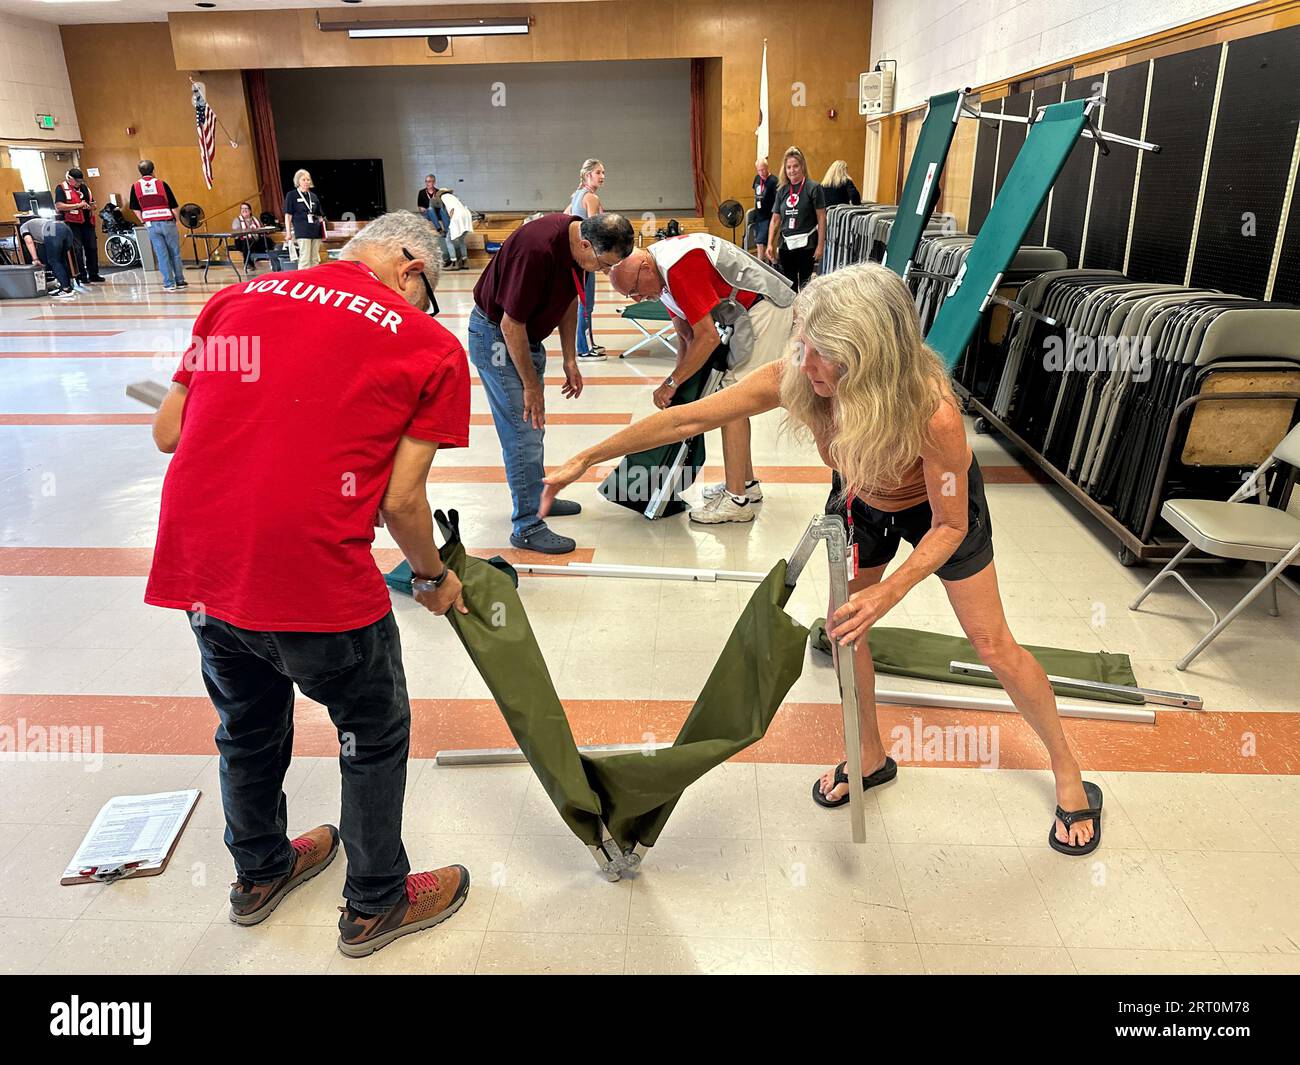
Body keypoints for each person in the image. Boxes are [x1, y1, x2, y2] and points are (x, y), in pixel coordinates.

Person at [543, 263, 1102, 856]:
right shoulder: (801, 376)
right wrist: (587, 458)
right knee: (845, 633)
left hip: (935, 510)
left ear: (869, 359)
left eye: (823, 354)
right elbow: (689, 416)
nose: (805, 365)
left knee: (993, 645)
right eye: (804, 345)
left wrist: (889, 593)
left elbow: (950, 525)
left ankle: (1068, 771)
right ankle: (869, 755)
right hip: (861, 498)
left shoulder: (930, 412)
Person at [145, 211, 475, 957]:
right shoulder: (428, 345)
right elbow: (399, 501)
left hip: (203, 567)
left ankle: (258, 872)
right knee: (372, 729)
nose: (422, 309)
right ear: (409, 265)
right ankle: (375, 902)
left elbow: (168, 432)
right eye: (425, 292)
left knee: (248, 725)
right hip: (312, 582)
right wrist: (433, 577)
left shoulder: (239, 299)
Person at [470, 211, 635, 554]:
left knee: (533, 429)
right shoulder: (537, 250)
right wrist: (531, 387)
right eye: (604, 265)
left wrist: (570, 357)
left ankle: (536, 498)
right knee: (523, 431)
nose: (604, 273)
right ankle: (527, 525)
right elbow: (510, 326)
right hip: (498, 340)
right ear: (586, 244)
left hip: (522, 339)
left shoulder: (574, 239)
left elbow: (569, 297)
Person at [607, 233, 795, 524]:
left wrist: (671, 383)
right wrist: (680, 388)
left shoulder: (679, 266)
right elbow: (686, 334)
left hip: (766, 308)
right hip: (743, 312)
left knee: (733, 402)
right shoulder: (659, 276)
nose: (637, 299)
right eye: (629, 297)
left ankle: (736, 501)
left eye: (634, 290)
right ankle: (746, 485)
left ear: (644, 268)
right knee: (729, 398)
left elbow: (706, 337)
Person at [766, 146, 826, 291]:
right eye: (788, 167)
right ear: (785, 169)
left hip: (808, 245)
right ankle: (792, 313)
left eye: (795, 166)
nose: (792, 170)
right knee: (789, 285)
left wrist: (820, 245)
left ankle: (805, 313)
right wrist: (769, 244)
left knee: (806, 287)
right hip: (787, 245)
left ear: (802, 166)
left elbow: (821, 218)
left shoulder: (813, 188)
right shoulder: (782, 191)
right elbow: (775, 219)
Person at [567, 159, 608, 361]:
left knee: (584, 301)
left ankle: (587, 343)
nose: (602, 176)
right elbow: (594, 229)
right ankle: (583, 349)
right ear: (588, 174)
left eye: (603, 173)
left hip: (576, 256)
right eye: (599, 172)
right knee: (586, 303)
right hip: (586, 258)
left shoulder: (576, 195)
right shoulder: (590, 197)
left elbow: (565, 217)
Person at [129, 159, 188, 291]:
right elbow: (173, 206)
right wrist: (177, 220)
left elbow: (135, 208)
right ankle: (180, 281)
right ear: (153, 170)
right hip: (167, 222)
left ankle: (169, 283)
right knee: (175, 252)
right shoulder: (162, 184)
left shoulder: (135, 187)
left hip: (151, 224)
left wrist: (143, 220)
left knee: (161, 254)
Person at [55, 167, 105, 284]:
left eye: (80, 181)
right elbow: (59, 206)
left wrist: (90, 206)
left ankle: (94, 273)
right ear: (69, 179)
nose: (79, 184)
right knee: (77, 250)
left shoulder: (84, 188)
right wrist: (78, 205)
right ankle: (81, 275)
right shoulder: (61, 188)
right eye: (76, 181)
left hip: (87, 223)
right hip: (73, 224)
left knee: (92, 248)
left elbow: (94, 204)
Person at [20, 216, 78, 300]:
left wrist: (35, 259)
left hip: (51, 230)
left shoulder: (23, 227)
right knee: (62, 259)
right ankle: (67, 286)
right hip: (65, 227)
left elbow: (29, 241)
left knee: (54, 261)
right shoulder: (37, 222)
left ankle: (65, 288)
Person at [284, 169, 325, 270]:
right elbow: (288, 215)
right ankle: (303, 281)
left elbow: (320, 215)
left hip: (315, 231)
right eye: (303, 179)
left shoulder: (313, 196)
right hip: (302, 230)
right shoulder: (292, 195)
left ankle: (314, 281)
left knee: (315, 259)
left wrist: (323, 231)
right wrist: (288, 233)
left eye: (308, 179)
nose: (306, 182)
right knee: (305, 259)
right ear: (298, 181)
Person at [230, 201, 278, 270]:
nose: (244, 210)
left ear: (250, 210)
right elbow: (236, 232)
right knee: (247, 243)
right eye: (242, 209)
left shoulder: (255, 219)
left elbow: (261, 229)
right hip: (242, 241)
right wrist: (249, 230)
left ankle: (261, 258)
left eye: (246, 208)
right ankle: (249, 263)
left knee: (268, 241)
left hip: (255, 239)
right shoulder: (237, 220)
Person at [417, 174, 450, 266]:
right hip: (428, 213)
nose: (427, 183)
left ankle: (447, 230)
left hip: (437, 212)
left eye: (429, 181)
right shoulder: (422, 192)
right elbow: (419, 207)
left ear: (434, 182)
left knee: (443, 210)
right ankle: (439, 229)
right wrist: (423, 209)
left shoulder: (438, 192)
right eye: (426, 181)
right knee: (430, 209)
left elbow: (443, 205)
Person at [439, 188, 474, 271]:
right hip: (466, 215)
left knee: (448, 240)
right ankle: (465, 262)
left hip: (458, 217)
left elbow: (451, 209)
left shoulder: (444, 196)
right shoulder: (453, 196)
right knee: (461, 240)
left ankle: (454, 262)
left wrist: (451, 221)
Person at [751, 157, 777, 257]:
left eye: (763, 169)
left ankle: (760, 263)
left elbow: (777, 200)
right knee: (760, 242)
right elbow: (756, 195)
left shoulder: (773, 181)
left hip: (768, 216)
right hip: (759, 216)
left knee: (760, 242)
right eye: (759, 170)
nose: (761, 172)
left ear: (767, 167)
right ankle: (773, 263)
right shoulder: (757, 178)